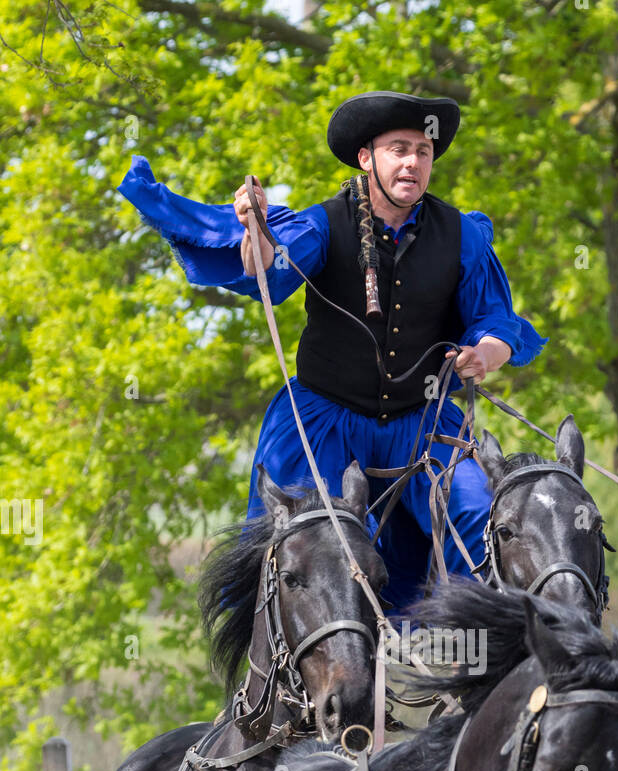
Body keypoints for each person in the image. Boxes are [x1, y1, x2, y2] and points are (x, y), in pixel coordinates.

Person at [118, 90, 547, 611]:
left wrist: (487, 352)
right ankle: (301, 676)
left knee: (483, 518)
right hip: (323, 423)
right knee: (313, 546)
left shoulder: (463, 236)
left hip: (423, 423)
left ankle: (472, 661)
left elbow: (497, 319)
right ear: (367, 158)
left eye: (423, 152)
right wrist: (254, 229)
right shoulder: (325, 223)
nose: (413, 161)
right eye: (399, 149)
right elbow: (270, 270)